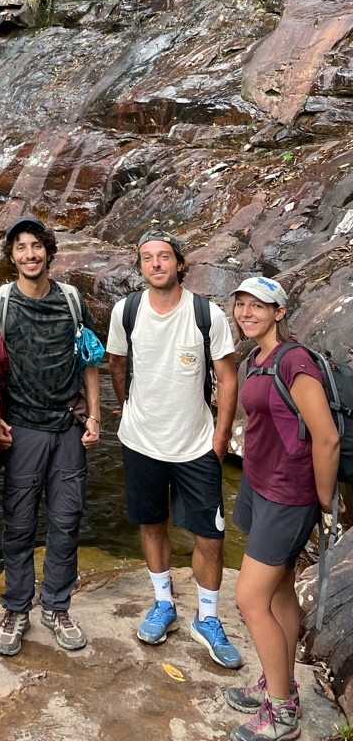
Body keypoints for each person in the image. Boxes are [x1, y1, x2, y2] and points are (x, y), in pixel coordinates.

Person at [107, 230, 242, 667]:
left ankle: (207, 617)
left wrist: (220, 439)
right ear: (141, 266)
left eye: (164, 257)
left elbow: (227, 377)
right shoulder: (126, 311)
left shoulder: (205, 314)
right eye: (147, 258)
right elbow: (117, 364)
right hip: (142, 440)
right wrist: (130, 410)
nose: (156, 264)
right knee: (152, 522)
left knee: (210, 534)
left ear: (179, 264)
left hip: (196, 443)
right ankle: (163, 603)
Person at [0, 215, 101, 656]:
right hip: (21, 430)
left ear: (48, 251)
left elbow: (89, 358)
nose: (29, 254)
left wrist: (95, 416)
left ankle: (57, 607)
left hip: (67, 425)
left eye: (36, 246)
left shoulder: (71, 300)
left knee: (67, 522)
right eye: (20, 248)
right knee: (19, 524)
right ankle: (15, 609)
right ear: (12, 257)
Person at [225, 276, 340, 741]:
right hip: (260, 484)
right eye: (241, 305)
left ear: (279, 312)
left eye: (259, 306)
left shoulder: (294, 361)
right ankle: (280, 681)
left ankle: (283, 713)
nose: (247, 313)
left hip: (288, 495)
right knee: (279, 593)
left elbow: (327, 437)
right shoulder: (257, 358)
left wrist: (326, 500)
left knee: (249, 599)